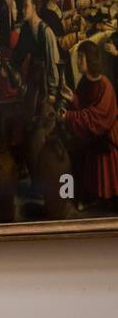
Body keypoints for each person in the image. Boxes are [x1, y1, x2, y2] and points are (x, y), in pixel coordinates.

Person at [60, 41, 118, 209]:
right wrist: (73, 99)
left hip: (106, 137)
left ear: (91, 60)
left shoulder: (105, 85)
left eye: (81, 58)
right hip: (92, 134)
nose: (78, 62)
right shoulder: (84, 82)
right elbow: (84, 107)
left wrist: (70, 116)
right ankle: (90, 196)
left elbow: (96, 116)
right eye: (78, 58)